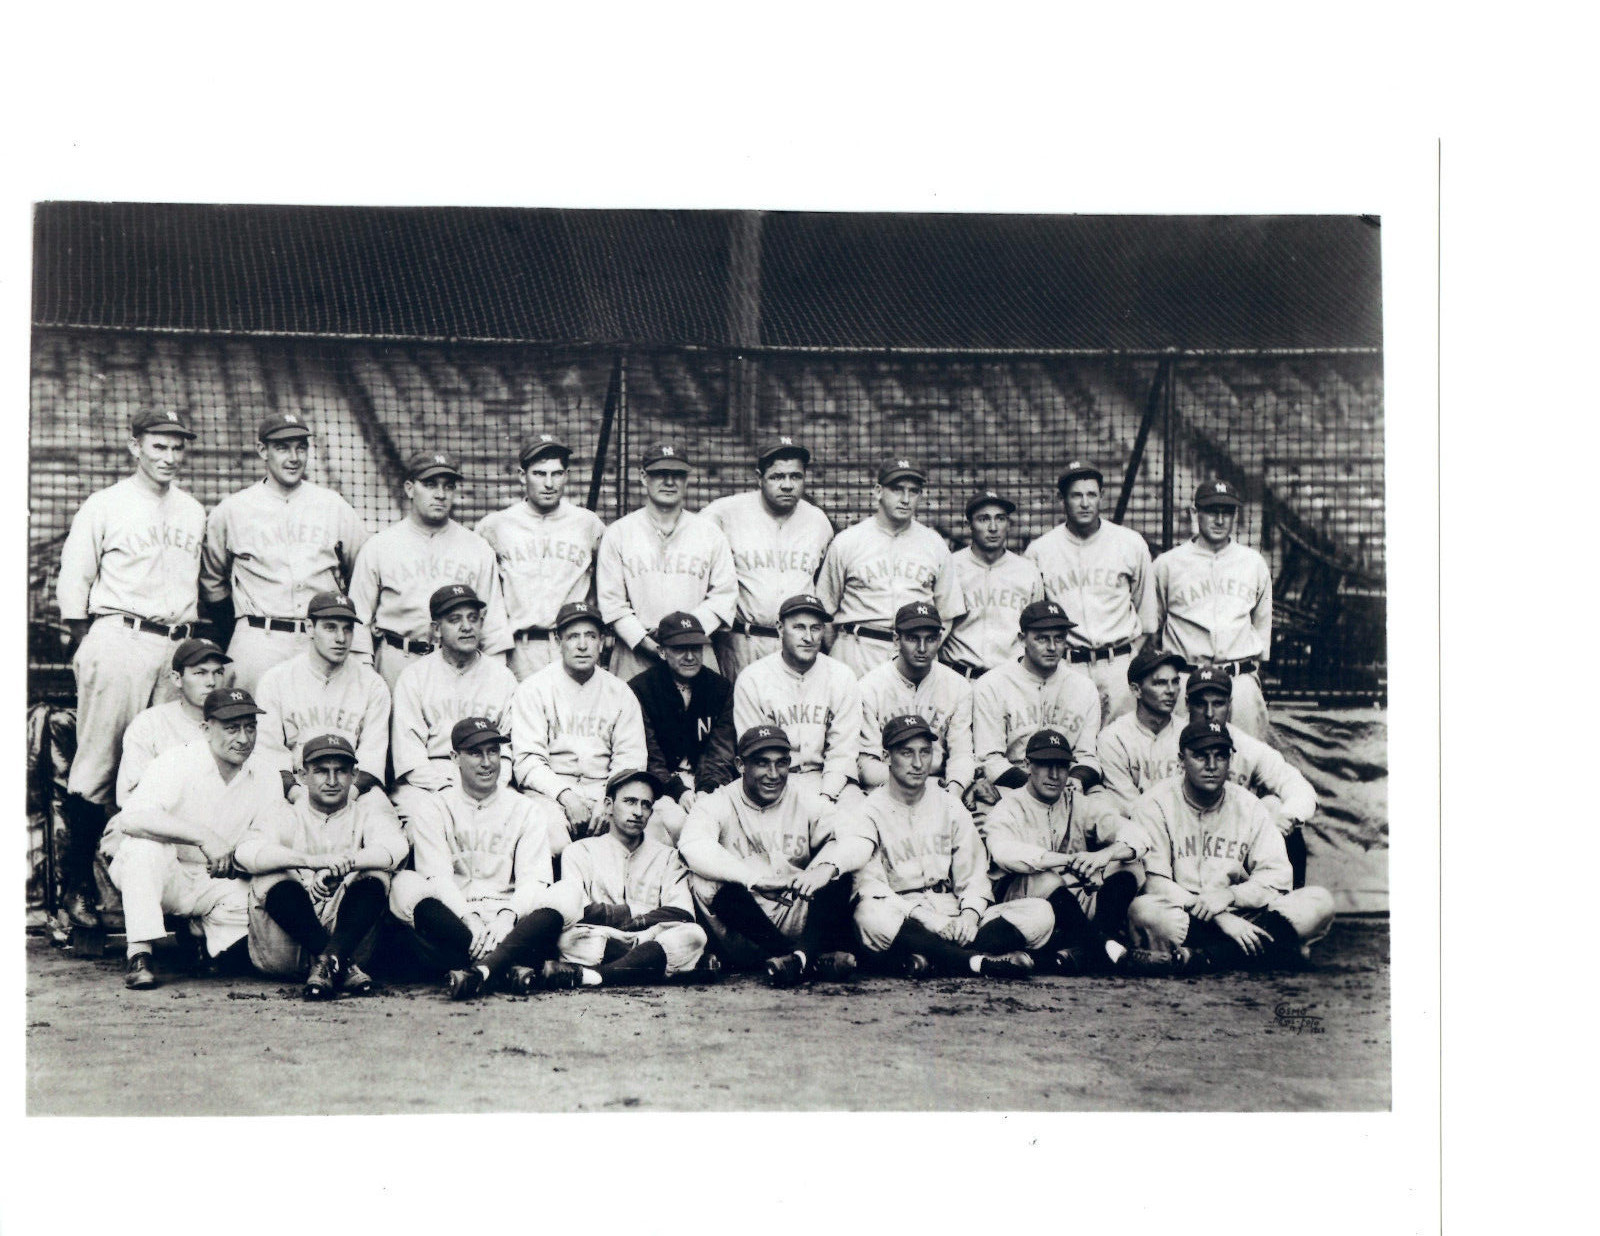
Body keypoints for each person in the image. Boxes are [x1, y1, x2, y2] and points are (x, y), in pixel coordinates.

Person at [55, 407, 206, 930]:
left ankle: (157, 895)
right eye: (158, 445)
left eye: (177, 447)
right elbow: (74, 585)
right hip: (120, 633)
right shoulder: (105, 504)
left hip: (175, 645)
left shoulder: (193, 510)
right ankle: (77, 890)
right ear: (134, 446)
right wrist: (96, 645)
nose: (169, 456)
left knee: (165, 769)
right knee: (97, 766)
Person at [102, 687, 287, 990]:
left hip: (220, 878)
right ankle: (139, 954)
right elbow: (132, 818)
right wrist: (204, 837)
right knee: (143, 849)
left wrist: (236, 857)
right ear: (206, 729)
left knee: (262, 909)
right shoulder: (177, 760)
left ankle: (198, 934)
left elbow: (266, 834)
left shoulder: (265, 772)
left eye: (250, 727)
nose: (243, 739)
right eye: (232, 728)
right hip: (168, 873)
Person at [1121, 720, 1334, 975]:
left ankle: (1204, 958)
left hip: (1244, 914)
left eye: (1220, 756)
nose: (1211, 765)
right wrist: (1219, 917)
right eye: (1200, 756)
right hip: (1185, 913)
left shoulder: (1249, 806)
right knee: (1145, 912)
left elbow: (1277, 877)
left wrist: (1231, 896)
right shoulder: (1154, 804)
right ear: (1181, 760)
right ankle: (1270, 951)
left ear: (1230, 760)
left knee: (1319, 902)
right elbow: (1155, 883)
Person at [851, 715, 1051, 980]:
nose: (918, 763)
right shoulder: (867, 811)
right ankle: (974, 962)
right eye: (907, 753)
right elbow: (872, 888)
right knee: (869, 914)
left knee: (1040, 913)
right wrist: (930, 920)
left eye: (925, 752)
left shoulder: (950, 805)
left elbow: (974, 877)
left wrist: (968, 916)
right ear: (887, 756)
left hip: (954, 913)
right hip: (907, 916)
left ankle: (935, 959)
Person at [678, 725, 871, 986]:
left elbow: (858, 836)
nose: (773, 774)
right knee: (701, 879)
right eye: (762, 763)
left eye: (781, 763)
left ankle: (796, 961)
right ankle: (804, 958)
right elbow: (692, 844)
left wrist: (826, 868)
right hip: (745, 926)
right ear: (740, 765)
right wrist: (754, 879)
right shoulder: (719, 801)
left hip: (795, 910)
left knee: (841, 863)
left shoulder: (803, 796)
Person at [198, 410, 369, 693]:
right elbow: (212, 583)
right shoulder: (232, 510)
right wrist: (239, 627)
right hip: (258, 640)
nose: (294, 458)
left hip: (319, 641)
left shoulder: (334, 506)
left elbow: (362, 575)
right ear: (262, 450)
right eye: (282, 448)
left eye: (301, 448)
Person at [386, 718, 554, 997]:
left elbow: (534, 880)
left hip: (507, 922)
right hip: (455, 921)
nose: (487, 762)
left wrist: (507, 917)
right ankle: (503, 966)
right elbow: (437, 878)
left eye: (493, 751)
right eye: (475, 753)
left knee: (564, 893)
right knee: (403, 883)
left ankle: (477, 969)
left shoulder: (526, 809)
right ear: (455, 758)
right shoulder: (434, 806)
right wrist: (469, 919)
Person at [234, 733, 408, 999]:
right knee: (269, 875)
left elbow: (395, 848)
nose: (332, 780)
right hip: (286, 951)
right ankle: (338, 962)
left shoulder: (366, 812)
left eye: (341, 771)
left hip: (347, 936)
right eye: (321, 771)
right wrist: (313, 863)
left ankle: (330, 960)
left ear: (354, 775)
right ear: (302, 776)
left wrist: (346, 865)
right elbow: (246, 853)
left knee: (376, 874)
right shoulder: (284, 811)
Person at [347, 449, 512, 693]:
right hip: (397, 659)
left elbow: (493, 626)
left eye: (448, 486)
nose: (440, 494)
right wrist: (365, 673)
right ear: (409, 488)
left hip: (459, 665)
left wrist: (494, 680)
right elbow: (358, 618)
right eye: (430, 484)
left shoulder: (477, 548)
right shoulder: (379, 546)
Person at [980, 729, 1142, 974]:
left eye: (1062, 766)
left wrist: (1103, 856)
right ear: (1028, 765)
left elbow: (1137, 835)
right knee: (1044, 877)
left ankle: (1097, 941)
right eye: (1046, 765)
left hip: (1071, 902)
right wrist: (1069, 861)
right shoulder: (1009, 806)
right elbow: (1004, 852)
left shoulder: (1077, 801)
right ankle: (1100, 947)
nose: (1055, 775)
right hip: (1023, 906)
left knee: (1131, 863)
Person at [534, 769, 711, 991]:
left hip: (649, 936)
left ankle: (595, 975)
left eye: (646, 805)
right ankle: (647, 965)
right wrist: (633, 914)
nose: (638, 812)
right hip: (603, 937)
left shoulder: (668, 856)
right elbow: (579, 911)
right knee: (568, 939)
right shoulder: (579, 851)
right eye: (630, 802)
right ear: (609, 805)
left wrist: (637, 925)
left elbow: (681, 912)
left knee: (694, 935)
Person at [510, 601, 648, 859]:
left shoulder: (620, 692)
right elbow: (528, 761)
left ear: (602, 641)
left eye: (591, 636)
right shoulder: (534, 688)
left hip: (605, 792)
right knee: (554, 840)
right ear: (558, 640)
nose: (582, 645)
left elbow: (631, 758)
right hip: (550, 793)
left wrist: (608, 801)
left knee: (641, 835)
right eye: (573, 636)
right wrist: (566, 797)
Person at [1024, 460, 1155, 723]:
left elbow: (1148, 617)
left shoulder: (1130, 543)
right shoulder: (1040, 551)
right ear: (1062, 499)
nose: (1085, 503)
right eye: (1076, 495)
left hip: (1119, 664)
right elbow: (1033, 619)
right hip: (1067, 665)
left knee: (1121, 741)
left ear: (1101, 497)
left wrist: (1128, 659)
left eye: (1091, 495)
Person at [595, 441, 737, 684]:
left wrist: (683, 635)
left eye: (677, 474)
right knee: (632, 708)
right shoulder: (619, 532)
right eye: (660, 473)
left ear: (687, 479)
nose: (669, 482)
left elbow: (724, 596)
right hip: (635, 653)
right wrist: (643, 640)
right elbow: (611, 602)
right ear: (643, 476)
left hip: (694, 651)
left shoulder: (710, 533)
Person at [817, 458, 966, 677]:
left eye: (913, 491)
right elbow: (824, 611)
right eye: (897, 489)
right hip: (858, 650)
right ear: (878, 491)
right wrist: (843, 654)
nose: (905, 499)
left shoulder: (934, 543)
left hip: (912, 654)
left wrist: (922, 650)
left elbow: (947, 614)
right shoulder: (847, 541)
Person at [476, 433, 607, 681]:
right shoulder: (495, 526)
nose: (549, 483)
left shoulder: (588, 524)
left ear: (566, 475)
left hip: (572, 645)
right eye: (539, 473)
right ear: (522, 475)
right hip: (518, 649)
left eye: (556, 474)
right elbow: (484, 594)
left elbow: (608, 583)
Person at [701, 436, 834, 680]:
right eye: (777, 477)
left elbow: (825, 587)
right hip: (742, 640)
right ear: (759, 477)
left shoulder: (818, 521)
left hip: (797, 645)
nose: (787, 485)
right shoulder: (723, 513)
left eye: (795, 476)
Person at [1151, 478, 1273, 740]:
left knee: (1246, 756)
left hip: (1238, 682)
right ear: (1195, 512)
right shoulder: (1168, 564)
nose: (1219, 520)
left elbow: (1262, 629)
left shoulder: (1253, 563)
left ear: (1235, 515)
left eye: (1226, 512)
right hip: (1187, 679)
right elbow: (1152, 627)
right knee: (1182, 754)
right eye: (1211, 511)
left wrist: (1250, 675)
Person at [389, 585, 518, 829]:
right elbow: (410, 757)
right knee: (424, 824)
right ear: (436, 629)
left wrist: (487, 790)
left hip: (487, 780)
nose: (466, 627)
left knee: (511, 823)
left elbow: (508, 752)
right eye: (455, 620)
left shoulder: (503, 678)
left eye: (473, 618)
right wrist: (453, 793)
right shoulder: (414, 677)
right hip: (429, 783)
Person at [1175, 665, 1316, 887]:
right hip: (1182, 838)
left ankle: (1286, 902)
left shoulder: (1246, 747)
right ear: (1187, 704)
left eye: (1218, 704)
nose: (1209, 713)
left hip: (1229, 843)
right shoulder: (1169, 740)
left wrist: (1286, 818)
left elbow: (1298, 787)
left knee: (1273, 807)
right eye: (1200, 704)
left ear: (1230, 705)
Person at [254, 591, 390, 804]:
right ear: (310, 628)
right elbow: (269, 753)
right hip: (296, 788)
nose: (340, 638)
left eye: (347, 629)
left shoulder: (373, 684)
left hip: (353, 790)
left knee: (382, 817)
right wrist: (296, 796)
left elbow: (372, 756)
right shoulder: (276, 680)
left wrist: (348, 798)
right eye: (330, 628)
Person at [732, 593, 864, 813]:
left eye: (816, 628)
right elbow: (754, 755)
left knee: (856, 812)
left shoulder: (842, 676)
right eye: (799, 628)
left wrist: (826, 796)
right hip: (775, 781)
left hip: (828, 778)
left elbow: (843, 752)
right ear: (780, 629)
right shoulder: (753, 678)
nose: (808, 637)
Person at [972, 599, 1104, 794]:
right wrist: (1034, 787)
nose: (1052, 647)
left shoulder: (1084, 687)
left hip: (1067, 785)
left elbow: (1087, 755)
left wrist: (1077, 779)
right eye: (1042, 639)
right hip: (1012, 786)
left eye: (1059, 639)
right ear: (1022, 639)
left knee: (1106, 809)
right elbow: (990, 759)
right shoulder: (991, 685)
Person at [626, 612, 736, 845]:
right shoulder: (641, 689)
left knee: (723, 822)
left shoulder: (720, 688)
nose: (690, 656)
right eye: (679, 649)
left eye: (696, 648)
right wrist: (678, 791)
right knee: (669, 822)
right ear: (662, 651)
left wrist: (706, 789)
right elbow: (649, 754)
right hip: (661, 785)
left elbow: (721, 750)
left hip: (708, 782)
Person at [856, 602, 977, 805]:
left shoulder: (958, 687)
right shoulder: (869, 687)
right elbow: (866, 765)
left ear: (939, 639)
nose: (922, 648)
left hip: (940, 786)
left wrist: (955, 788)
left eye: (930, 639)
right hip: (886, 788)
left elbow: (962, 754)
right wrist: (921, 789)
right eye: (913, 639)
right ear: (897, 640)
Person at [941, 490, 1044, 679]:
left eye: (1000, 519)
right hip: (959, 676)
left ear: (1009, 524)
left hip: (1010, 679)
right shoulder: (951, 567)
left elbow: (1036, 630)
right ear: (969, 525)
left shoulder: (1027, 571)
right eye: (983, 519)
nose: (993, 527)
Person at [116, 637, 231, 806]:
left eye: (218, 673)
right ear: (177, 678)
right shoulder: (150, 723)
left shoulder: (239, 724)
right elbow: (131, 796)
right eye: (200, 673)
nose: (211, 682)